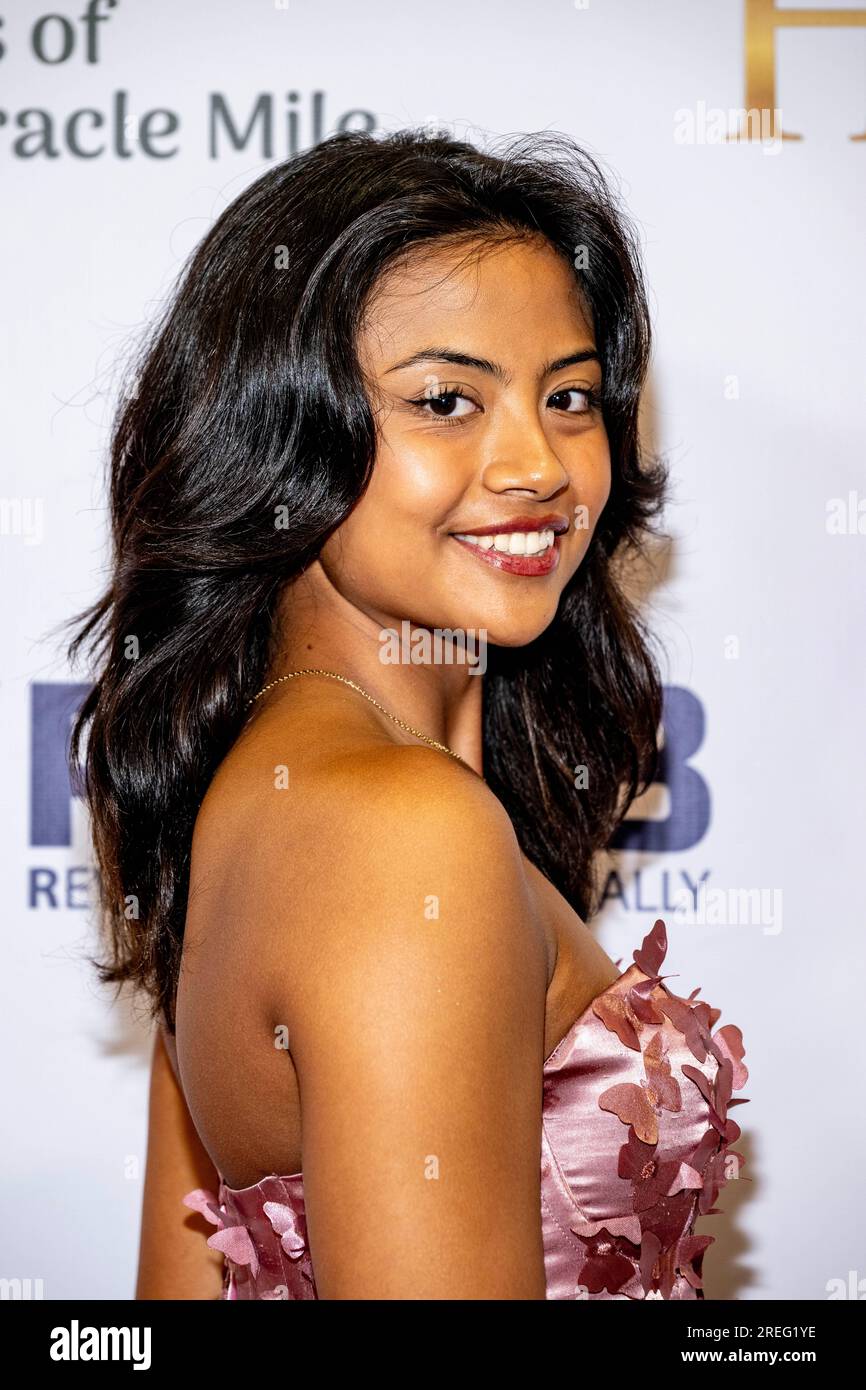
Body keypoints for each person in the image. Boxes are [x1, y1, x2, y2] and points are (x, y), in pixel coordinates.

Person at [70, 126, 748, 1300]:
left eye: (571, 396)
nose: (538, 461)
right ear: (282, 436)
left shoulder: (260, 801)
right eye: (445, 400)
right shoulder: (400, 829)